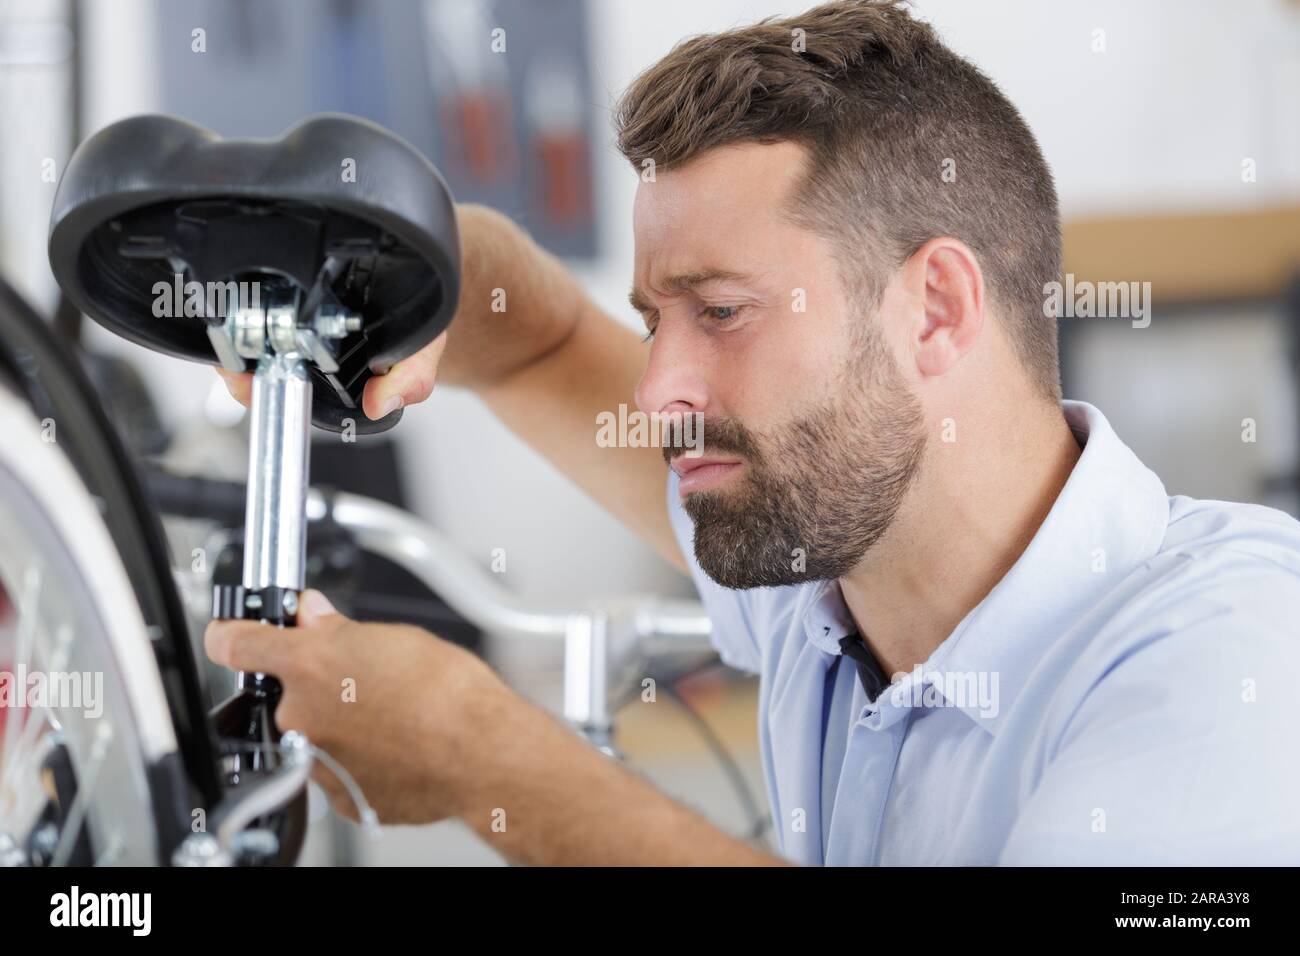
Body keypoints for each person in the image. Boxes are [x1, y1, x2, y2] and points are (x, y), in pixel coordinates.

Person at [208, 0, 1300, 865]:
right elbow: (537, 342)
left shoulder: (1231, 652)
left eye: (721, 312)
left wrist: (480, 756)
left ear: (935, 310)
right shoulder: (816, 557)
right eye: (652, 320)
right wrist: (412, 260)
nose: (659, 389)